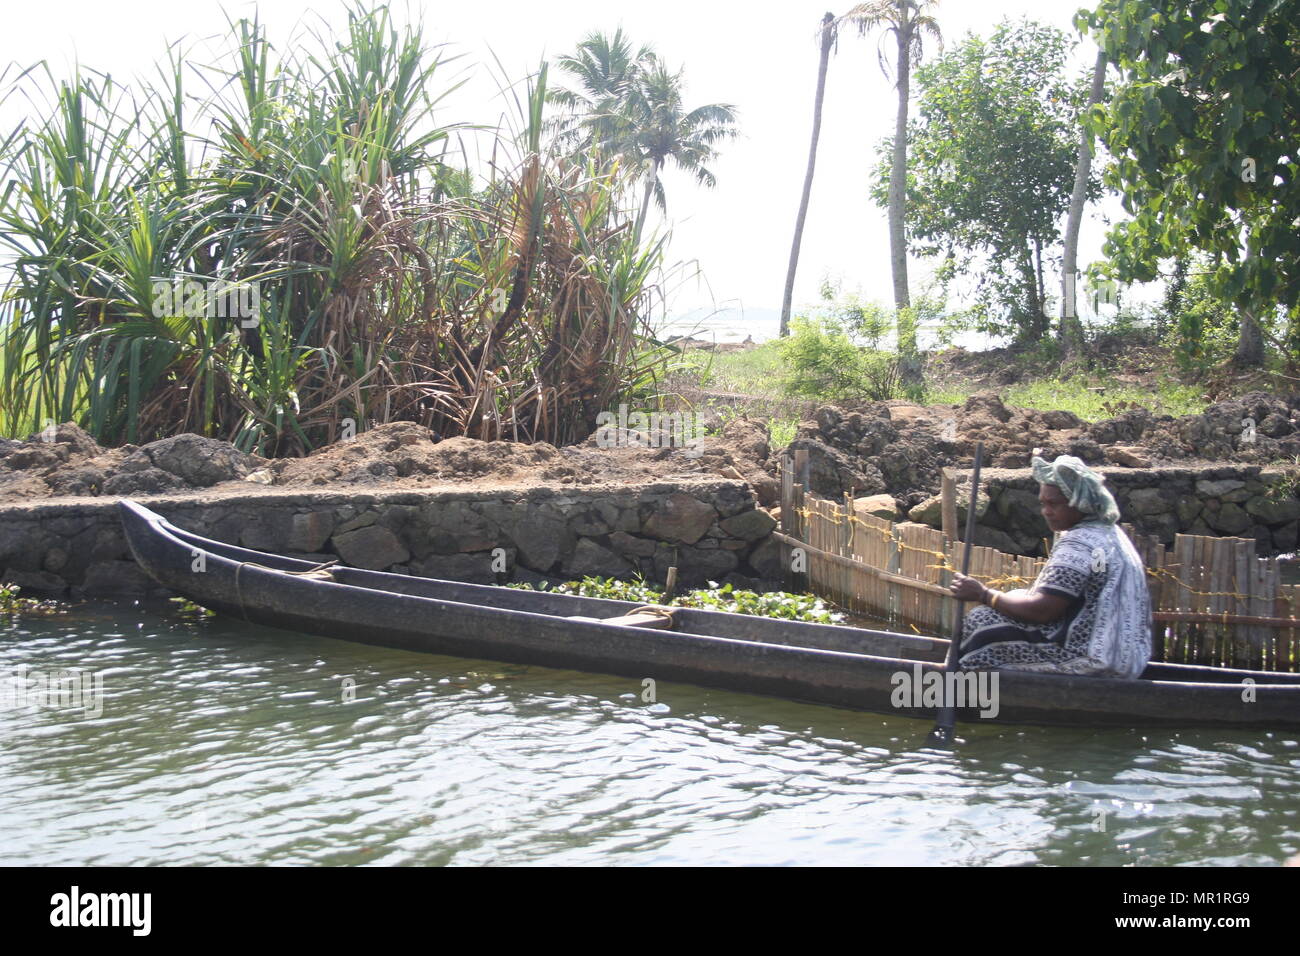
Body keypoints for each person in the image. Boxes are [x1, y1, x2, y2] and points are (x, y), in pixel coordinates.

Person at [946, 454, 1152, 678]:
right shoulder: (1109, 534)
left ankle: (965, 682)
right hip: (1126, 660)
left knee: (983, 619)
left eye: (1054, 504)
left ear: (1079, 501)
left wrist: (984, 594)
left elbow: (1042, 611)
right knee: (1015, 596)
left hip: (1091, 658)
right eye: (1043, 503)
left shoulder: (1079, 543)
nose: (1046, 511)